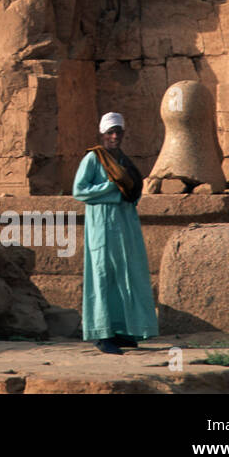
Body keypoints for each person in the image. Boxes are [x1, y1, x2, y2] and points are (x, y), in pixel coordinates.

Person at [72, 112, 158, 354]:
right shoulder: (93, 158)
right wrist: (111, 187)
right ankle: (102, 333)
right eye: (110, 132)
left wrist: (126, 191)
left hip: (125, 224)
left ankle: (123, 330)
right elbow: (79, 190)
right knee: (102, 276)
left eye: (118, 132)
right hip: (102, 224)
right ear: (103, 134)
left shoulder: (125, 161)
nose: (114, 136)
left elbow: (133, 190)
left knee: (126, 275)